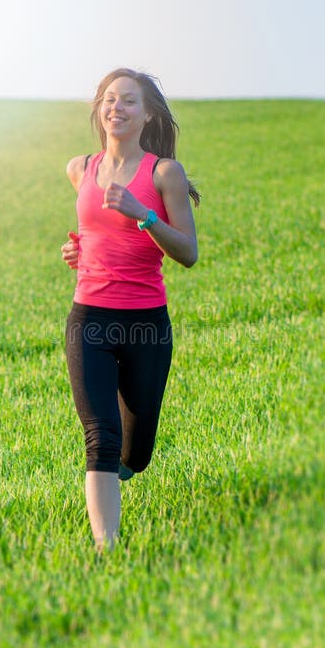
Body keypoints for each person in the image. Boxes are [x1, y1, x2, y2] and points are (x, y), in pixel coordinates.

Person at [61, 68, 200, 549]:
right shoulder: (81, 168)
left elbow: (187, 252)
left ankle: (123, 469)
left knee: (135, 452)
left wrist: (144, 217)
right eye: (109, 99)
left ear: (148, 114)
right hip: (89, 320)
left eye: (128, 101)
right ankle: (108, 551)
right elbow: (93, 233)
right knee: (100, 436)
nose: (116, 108)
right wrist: (78, 251)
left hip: (145, 325)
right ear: (100, 109)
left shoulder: (164, 174)